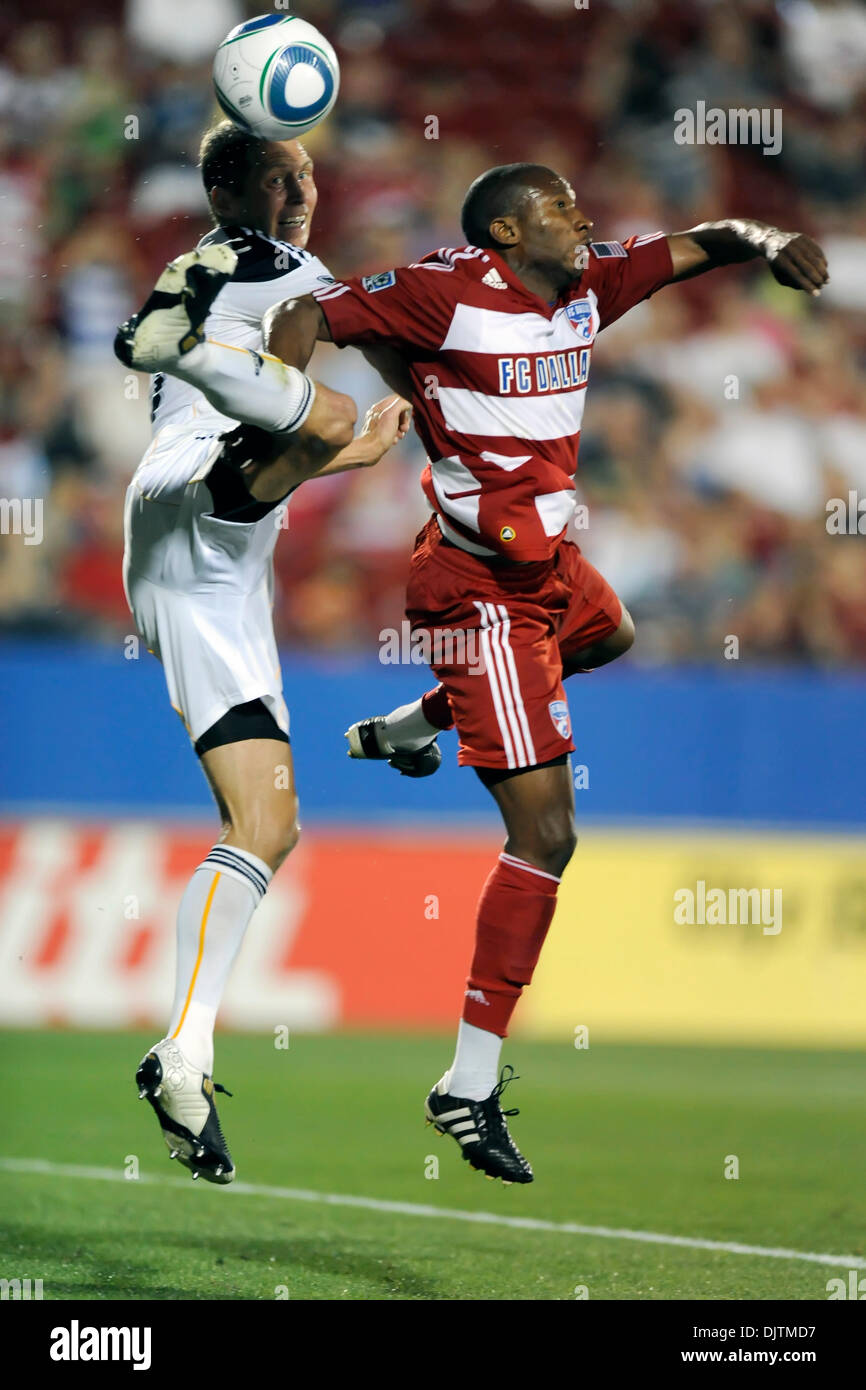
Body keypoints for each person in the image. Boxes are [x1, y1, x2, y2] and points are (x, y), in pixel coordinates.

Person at [115, 120, 410, 1184]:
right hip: (200, 494)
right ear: (236, 190)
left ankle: (182, 1052)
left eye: (308, 173)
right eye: (281, 175)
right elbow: (325, 326)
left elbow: (288, 426)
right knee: (327, 406)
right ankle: (197, 363)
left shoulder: (228, 263)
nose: (304, 189)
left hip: (198, 550)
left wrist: (340, 452)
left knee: (268, 820)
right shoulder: (269, 261)